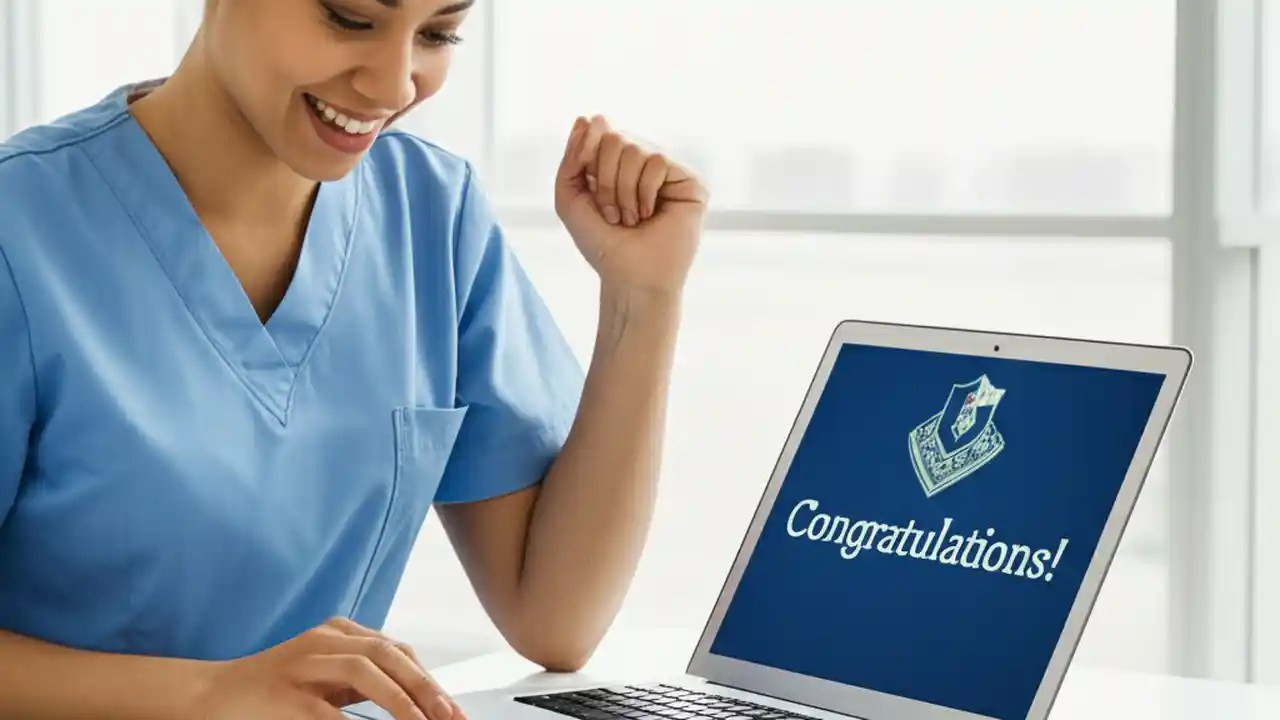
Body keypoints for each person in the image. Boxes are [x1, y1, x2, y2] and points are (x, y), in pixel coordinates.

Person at [0, 0, 708, 717]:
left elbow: (558, 621)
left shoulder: (431, 212)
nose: (396, 86)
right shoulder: (19, 227)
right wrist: (210, 694)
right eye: (350, 17)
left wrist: (641, 299)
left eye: (438, 33)